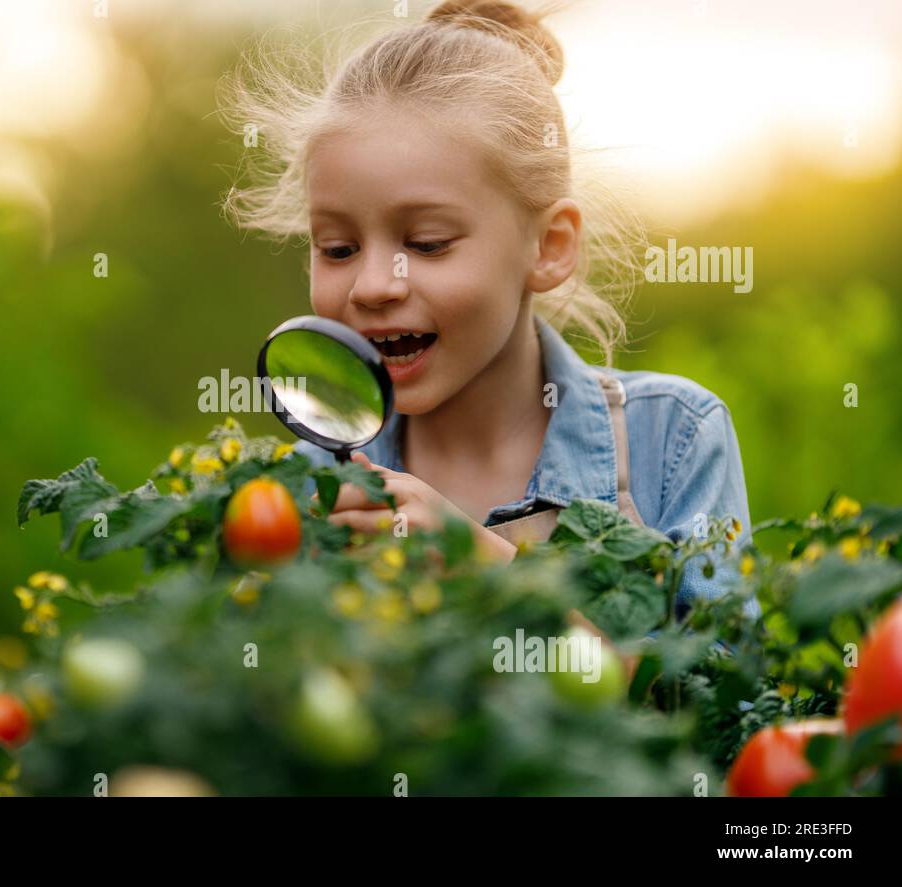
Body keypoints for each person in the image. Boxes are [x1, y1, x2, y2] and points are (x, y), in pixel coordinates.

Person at [221, 0, 753, 615]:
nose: (372, 285)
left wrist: (486, 572)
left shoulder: (672, 440)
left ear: (549, 248)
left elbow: (713, 698)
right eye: (338, 248)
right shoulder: (307, 483)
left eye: (427, 244)